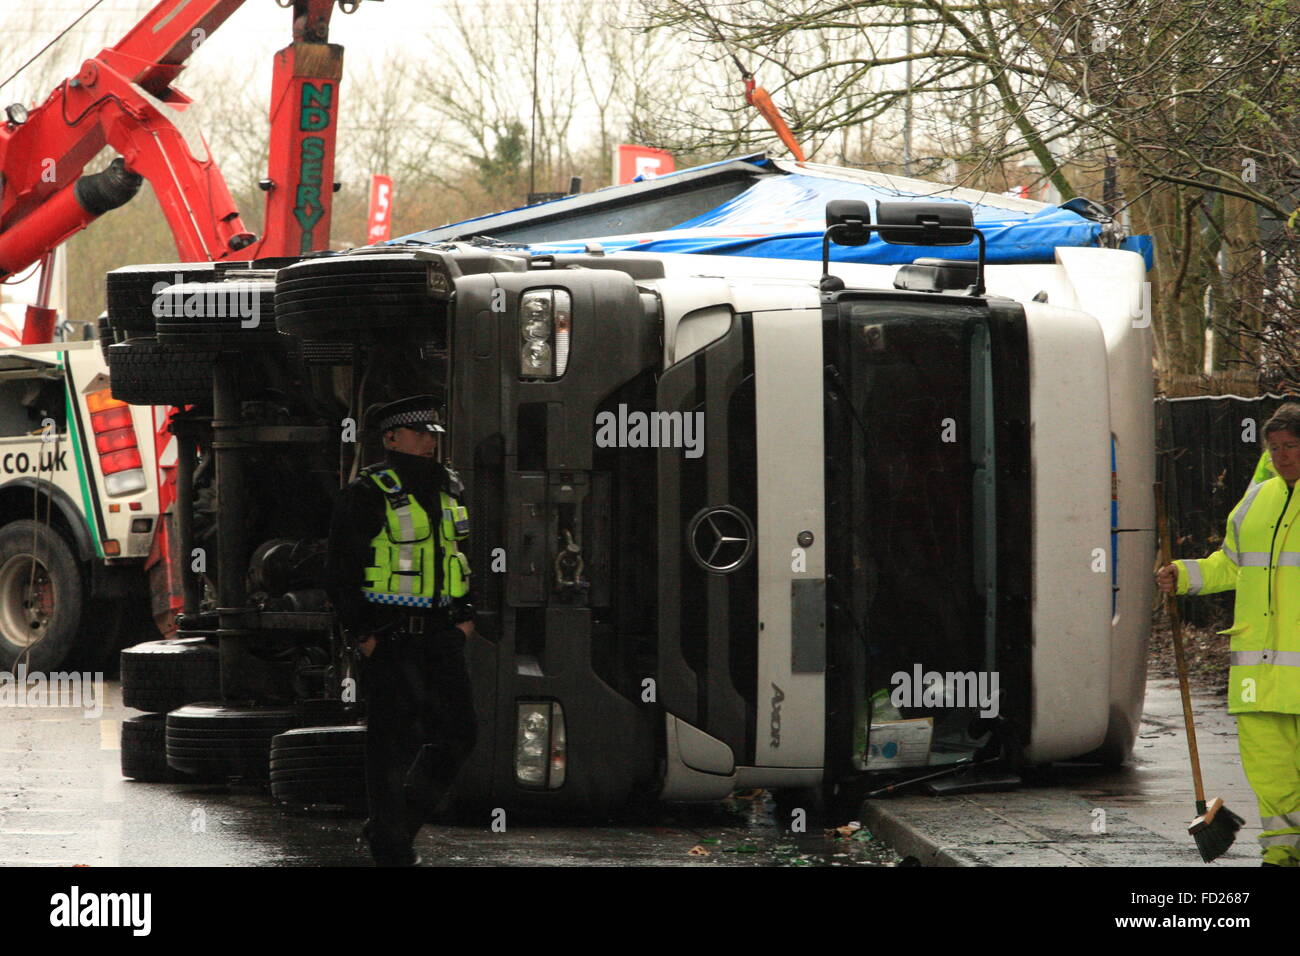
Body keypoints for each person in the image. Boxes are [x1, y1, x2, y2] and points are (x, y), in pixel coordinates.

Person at [326, 395, 477, 866]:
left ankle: (395, 824)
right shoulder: (367, 492)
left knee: (460, 734)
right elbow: (340, 571)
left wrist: (465, 618)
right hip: (390, 636)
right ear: (391, 438)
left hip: (440, 635)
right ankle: (392, 847)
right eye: (419, 434)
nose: (429, 443)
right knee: (390, 745)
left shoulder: (450, 488)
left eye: (434, 435)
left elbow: (460, 557)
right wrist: (365, 635)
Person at [1157, 402, 1300, 866]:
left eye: (1293, 446)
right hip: (1259, 674)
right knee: (1270, 774)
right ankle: (1281, 854)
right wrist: (1183, 574)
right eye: (1276, 448)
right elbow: (1230, 564)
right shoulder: (1256, 502)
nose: (1283, 456)